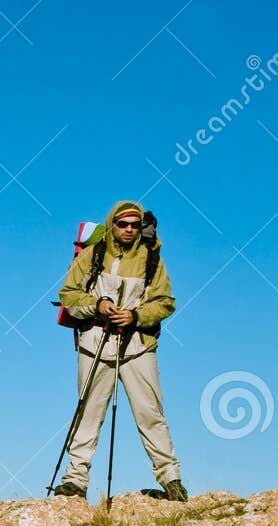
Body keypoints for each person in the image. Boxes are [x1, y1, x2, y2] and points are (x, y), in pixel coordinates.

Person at [54, 200, 187, 501]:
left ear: (141, 228)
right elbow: (68, 294)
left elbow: (165, 302)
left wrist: (135, 316)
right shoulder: (92, 254)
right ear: (112, 224)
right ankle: (75, 481)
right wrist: (97, 305)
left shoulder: (152, 260)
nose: (128, 229)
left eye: (135, 225)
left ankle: (172, 479)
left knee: (150, 413)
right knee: (88, 412)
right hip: (95, 344)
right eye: (122, 224)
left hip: (138, 346)